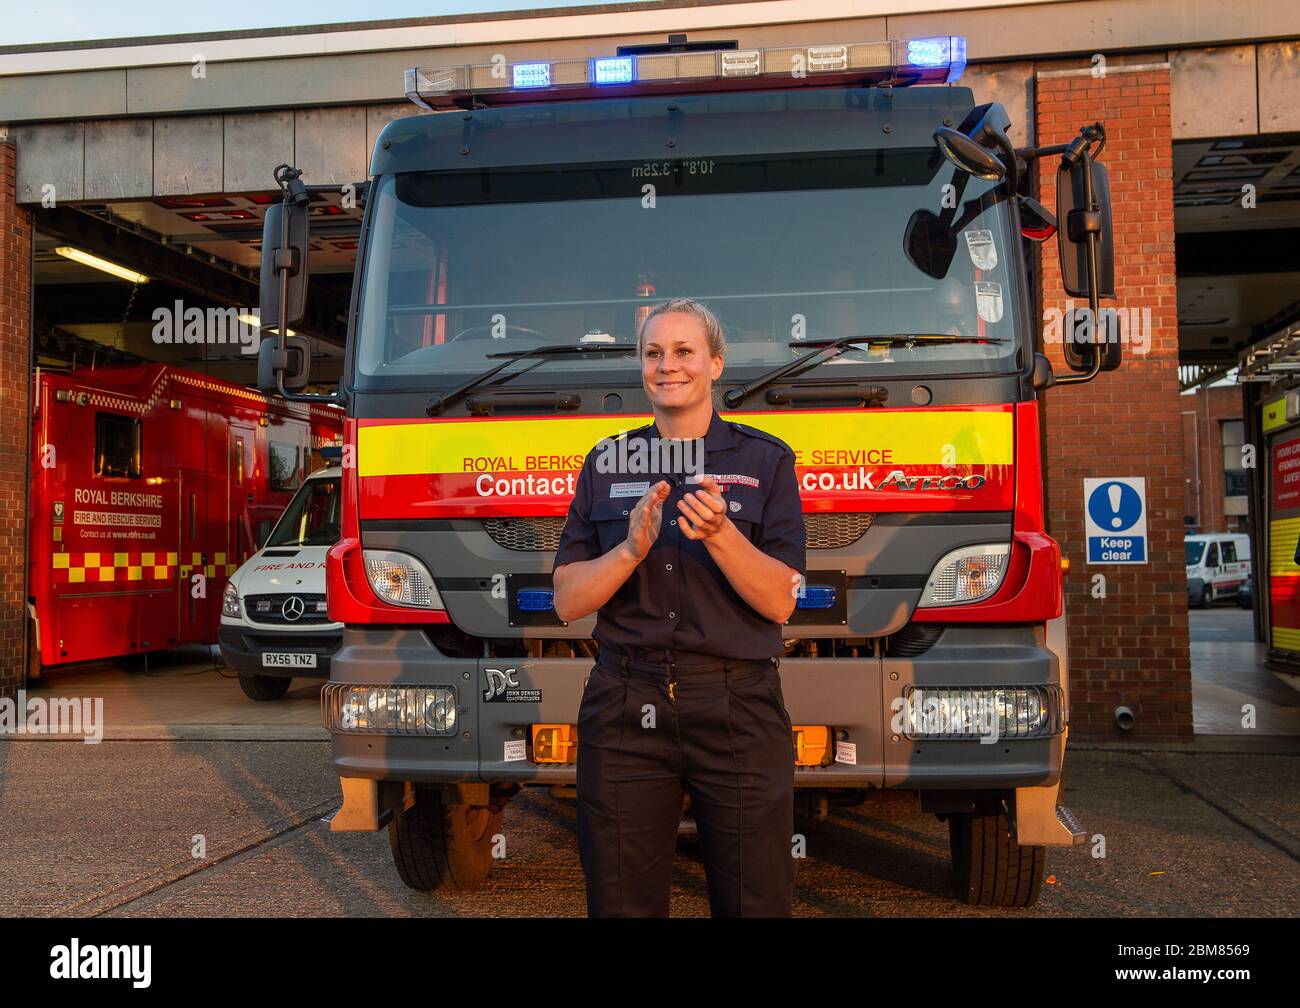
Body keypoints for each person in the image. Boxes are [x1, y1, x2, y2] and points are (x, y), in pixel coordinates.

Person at [552, 297, 807, 917]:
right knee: (620, 903)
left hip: (736, 705)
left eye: (684, 351)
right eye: (654, 352)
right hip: (624, 703)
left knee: (756, 900)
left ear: (716, 364)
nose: (669, 365)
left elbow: (781, 600)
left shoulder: (765, 461)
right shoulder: (607, 461)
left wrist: (722, 534)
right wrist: (629, 549)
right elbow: (567, 601)